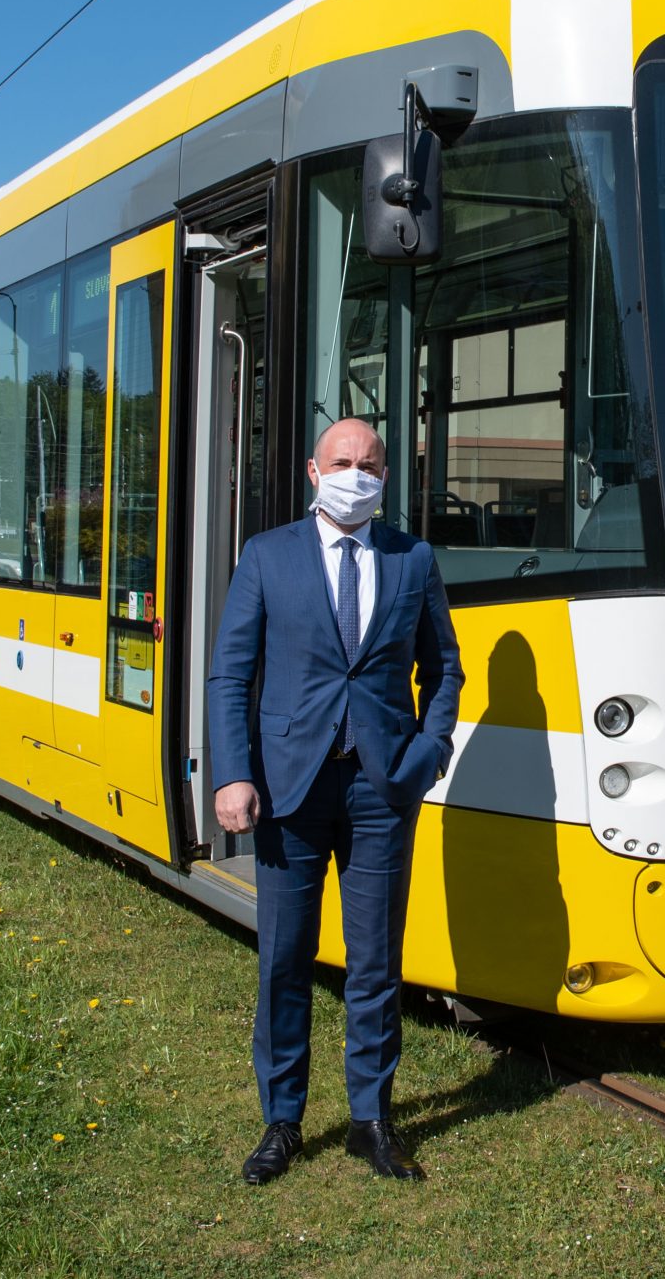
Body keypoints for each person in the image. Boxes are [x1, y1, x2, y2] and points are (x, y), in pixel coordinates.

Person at [207, 418, 464, 1187]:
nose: (357, 472)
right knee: (285, 958)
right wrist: (232, 773)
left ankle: (370, 1118)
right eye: (343, 461)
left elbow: (443, 669)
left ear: (388, 474)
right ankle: (282, 1120)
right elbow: (230, 676)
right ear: (314, 472)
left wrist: (428, 754)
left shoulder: (412, 558)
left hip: (382, 787)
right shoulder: (266, 556)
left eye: (371, 463)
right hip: (288, 787)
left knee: (376, 963)